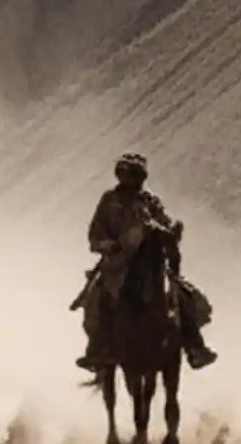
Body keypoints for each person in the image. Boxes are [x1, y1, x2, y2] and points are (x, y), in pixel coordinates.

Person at [71, 153, 217, 371]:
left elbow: (165, 225)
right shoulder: (109, 201)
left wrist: (172, 232)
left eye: (136, 176)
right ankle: (97, 349)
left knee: (184, 296)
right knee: (97, 299)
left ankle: (195, 347)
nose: (132, 181)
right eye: (128, 175)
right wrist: (108, 245)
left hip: (152, 262)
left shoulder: (150, 200)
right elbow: (95, 235)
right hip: (117, 265)